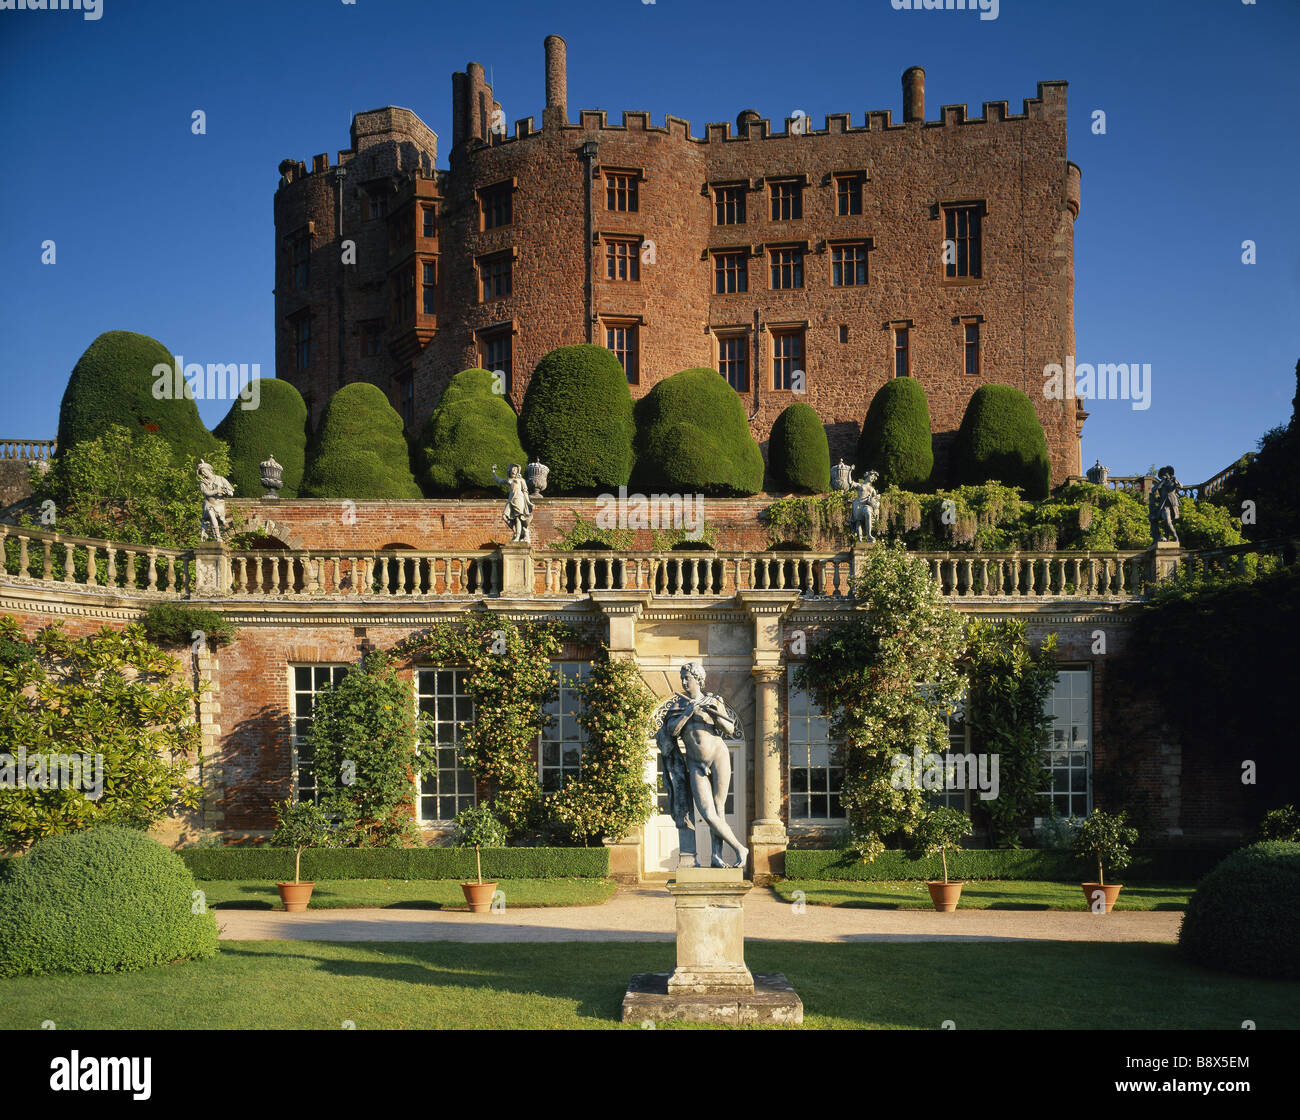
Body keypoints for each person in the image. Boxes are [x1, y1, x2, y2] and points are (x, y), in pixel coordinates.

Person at [655, 662, 749, 869]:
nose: (683, 681)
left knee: (719, 808)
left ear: (697, 678)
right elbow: (672, 731)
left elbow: (730, 729)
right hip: (695, 762)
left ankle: (716, 856)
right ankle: (740, 848)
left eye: (686, 677)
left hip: (718, 755)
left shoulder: (714, 700)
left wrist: (715, 712)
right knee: (707, 812)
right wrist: (688, 711)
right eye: (682, 678)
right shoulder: (677, 705)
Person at [491, 462, 534, 543]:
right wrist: (493, 472)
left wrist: (528, 502)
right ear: (510, 470)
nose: (514, 470)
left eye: (516, 469)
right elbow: (498, 480)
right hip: (511, 500)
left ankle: (517, 536)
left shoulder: (521, 480)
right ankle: (518, 531)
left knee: (518, 518)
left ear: (518, 471)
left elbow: (525, 491)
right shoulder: (508, 480)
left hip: (519, 499)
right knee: (504, 516)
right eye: (513, 469)